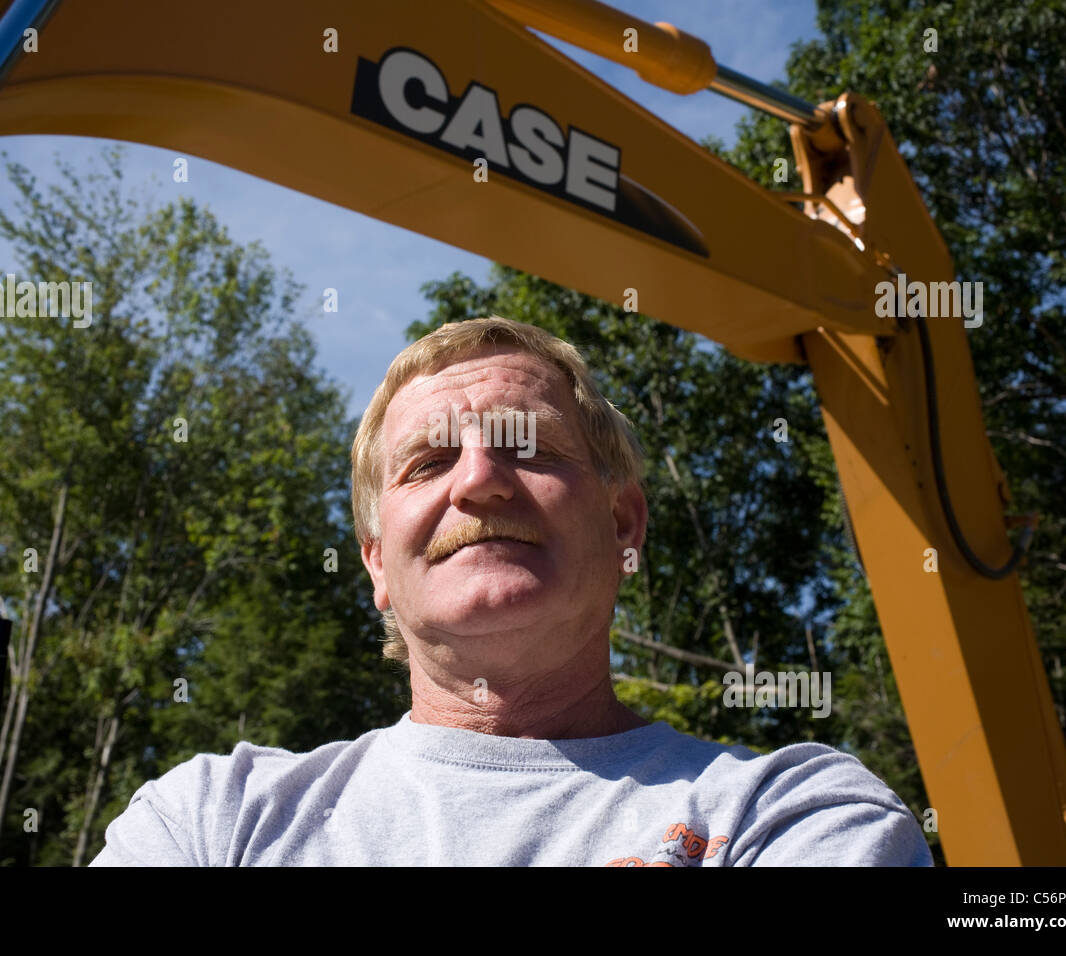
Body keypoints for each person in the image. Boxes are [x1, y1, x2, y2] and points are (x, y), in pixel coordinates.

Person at [91, 315, 932, 866]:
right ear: (377, 562)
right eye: (427, 463)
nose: (481, 483)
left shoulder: (795, 816)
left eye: (527, 447)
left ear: (624, 525)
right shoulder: (208, 819)